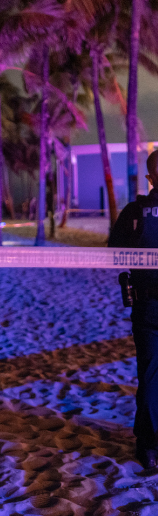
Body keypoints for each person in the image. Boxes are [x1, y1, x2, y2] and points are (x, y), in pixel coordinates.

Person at [108, 149, 158, 470]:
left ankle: (149, 446)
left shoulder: (136, 211)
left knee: (150, 373)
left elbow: (114, 253)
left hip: (147, 304)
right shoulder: (136, 211)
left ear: (150, 178)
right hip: (147, 304)